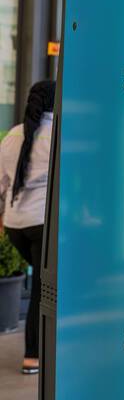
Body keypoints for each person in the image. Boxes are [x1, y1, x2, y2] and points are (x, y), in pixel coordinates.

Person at [0, 80, 56, 375]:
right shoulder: (57, 135)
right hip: (42, 224)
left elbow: (1, 183)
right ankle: (33, 355)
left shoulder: (13, 135)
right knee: (41, 290)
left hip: (15, 225)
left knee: (41, 285)